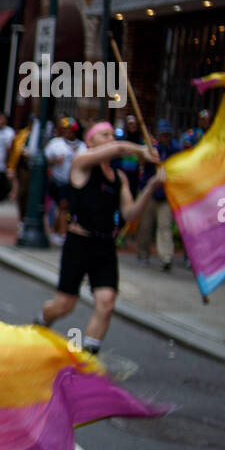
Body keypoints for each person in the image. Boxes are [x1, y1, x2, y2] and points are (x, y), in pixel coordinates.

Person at [35, 121, 161, 356]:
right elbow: (120, 150)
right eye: (104, 135)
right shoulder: (81, 163)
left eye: (112, 134)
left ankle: (87, 359)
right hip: (78, 243)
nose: (110, 138)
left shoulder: (119, 177)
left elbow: (130, 213)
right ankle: (40, 322)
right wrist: (141, 150)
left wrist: (152, 186)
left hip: (105, 245)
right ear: (90, 142)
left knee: (106, 302)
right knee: (64, 305)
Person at [136, 120, 179, 270]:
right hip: (149, 193)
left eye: (167, 135)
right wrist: (146, 155)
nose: (165, 137)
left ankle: (166, 257)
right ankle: (143, 253)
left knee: (164, 226)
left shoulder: (176, 150)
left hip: (166, 195)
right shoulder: (151, 149)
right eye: (163, 134)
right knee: (145, 226)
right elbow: (140, 164)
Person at [44, 117, 85, 241]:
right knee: (63, 205)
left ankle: (55, 230)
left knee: (66, 207)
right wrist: (55, 161)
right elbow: (45, 159)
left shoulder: (82, 146)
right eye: (65, 130)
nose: (68, 133)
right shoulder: (56, 143)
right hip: (59, 180)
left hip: (74, 182)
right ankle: (62, 234)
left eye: (70, 130)